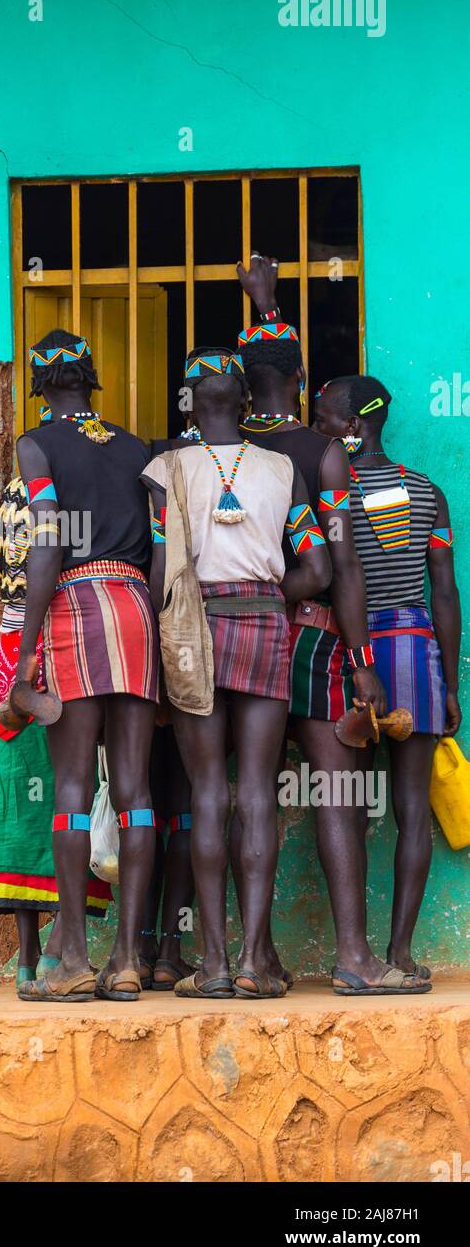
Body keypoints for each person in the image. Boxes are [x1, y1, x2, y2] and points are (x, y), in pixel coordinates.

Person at [234, 256, 426, 995]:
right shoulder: (320, 454)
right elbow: (342, 568)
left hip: (237, 637)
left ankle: (253, 959)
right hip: (312, 637)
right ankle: (354, 956)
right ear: (303, 381)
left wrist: (262, 302)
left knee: (244, 790)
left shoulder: (212, 447)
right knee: (338, 793)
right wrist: (361, 657)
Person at [143, 348, 332, 998]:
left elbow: (161, 569)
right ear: (248, 402)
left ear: (190, 402)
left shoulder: (165, 468)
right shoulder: (283, 468)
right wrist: (273, 591)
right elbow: (319, 568)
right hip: (263, 623)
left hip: (197, 626)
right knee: (256, 792)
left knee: (206, 793)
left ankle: (214, 965)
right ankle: (256, 961)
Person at [15, 329, 159, 1002]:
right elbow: (158, 552)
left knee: (72, 787)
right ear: (90, 380)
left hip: (75, 605)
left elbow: (46, 545)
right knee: (134, 790)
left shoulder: (37, 444)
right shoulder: (135, 447)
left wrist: (27, 647)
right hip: (135, 609)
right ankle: (128, 959)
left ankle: (72, 959)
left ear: (44, 387)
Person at [315, 373, 461, 986]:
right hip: (414, 650)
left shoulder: (328, 490)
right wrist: (449, 684)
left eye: (323, 416)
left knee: (342, 806)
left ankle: (358, 954)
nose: (316, 424)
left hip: (350, 653)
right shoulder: (427, 492)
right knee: (410, 813)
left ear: (353, 424)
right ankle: (399, 954)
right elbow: (445, 592)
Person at [0, 475, 111, 995]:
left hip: (13, 652)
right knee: (64, 794)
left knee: (20, 804)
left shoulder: (15, 493)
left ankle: (32, 958)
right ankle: (61, 948)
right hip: (63, 644)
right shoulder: (80, 493)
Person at [137, 725, 196, 990]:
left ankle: (141, 946)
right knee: (186, 816)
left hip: (142, 698)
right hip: (188, 704)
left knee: (145, 815)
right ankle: (169, 952)